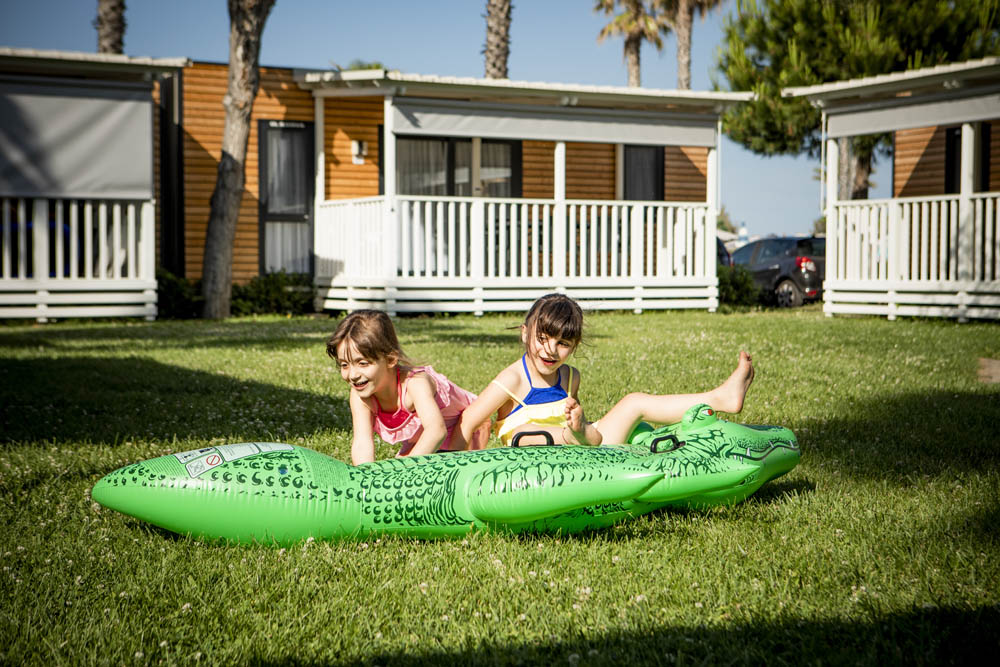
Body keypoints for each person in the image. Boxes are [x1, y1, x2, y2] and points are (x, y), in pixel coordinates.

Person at [456, 293, 755, 447]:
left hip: (583, 443)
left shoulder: (570, 377)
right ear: (525, 333)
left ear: (574, 346)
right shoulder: (512, 379)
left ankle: (721, 398)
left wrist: (579, 424)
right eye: (542, 338)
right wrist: (448, 469)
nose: (550, 350)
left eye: (563, 343)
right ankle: (577, 437)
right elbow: (468, 421)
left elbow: (574, 418)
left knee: (634, 401)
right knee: (524, 433)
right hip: (532, 454)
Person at [327, 310, 489, 464]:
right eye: (344, 365)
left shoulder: (415, 384)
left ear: (391, 359)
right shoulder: (360, 395)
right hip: (423, 439)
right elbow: (362, 442)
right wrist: (365, 476)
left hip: (466, 428)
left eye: (363, 363)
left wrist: (406, 468)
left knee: (427, 474)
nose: (353, 375)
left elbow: (436, 431)